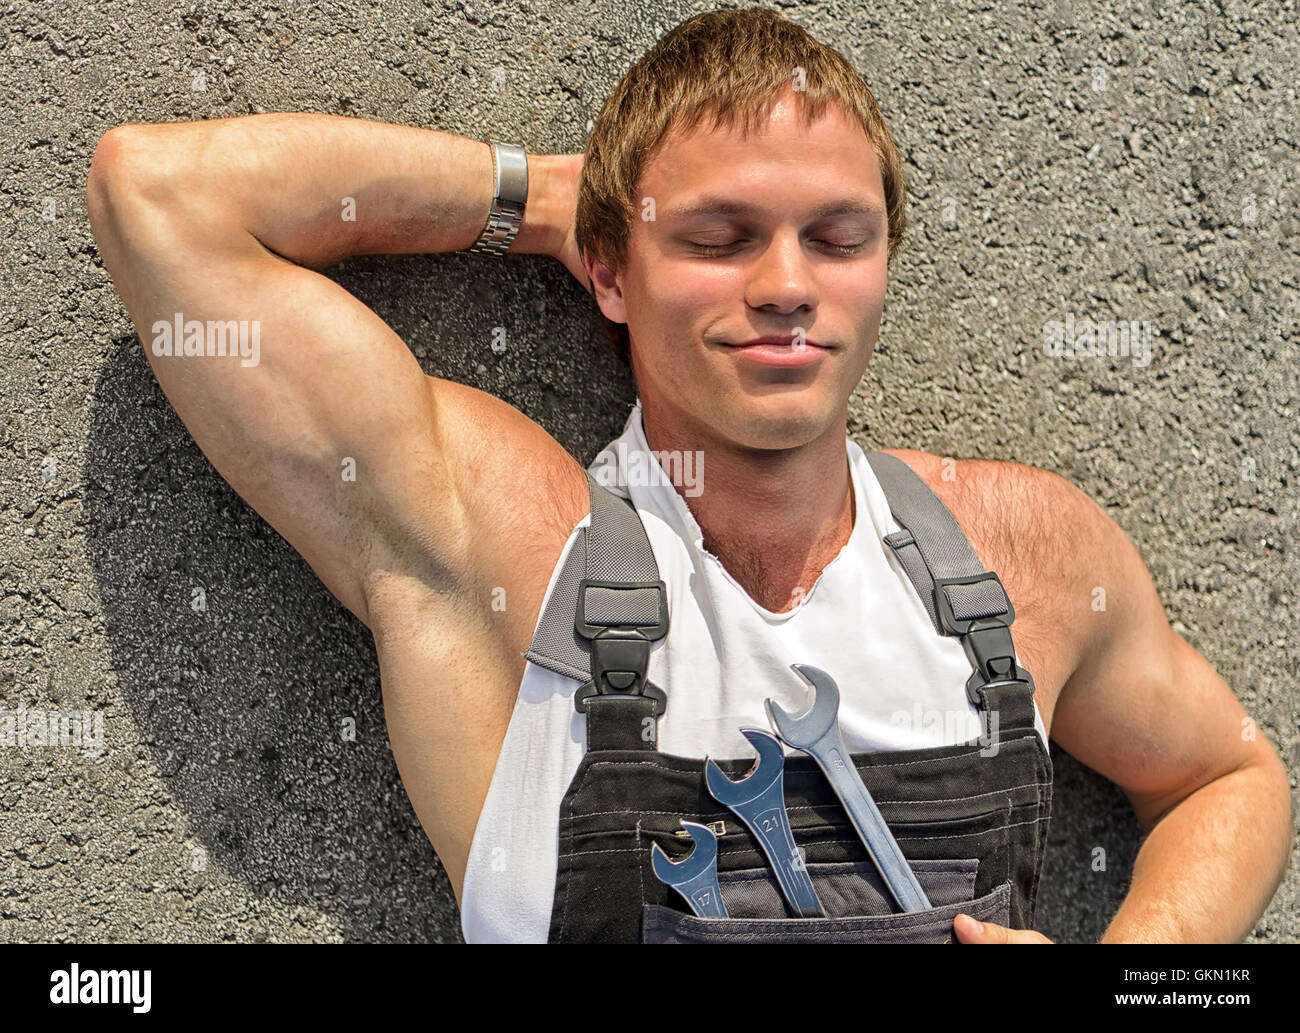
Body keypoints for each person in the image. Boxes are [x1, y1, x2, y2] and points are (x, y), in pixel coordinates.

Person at [85, 8, 1291, 943]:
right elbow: (159, 197)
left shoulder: (1015, 553)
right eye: (716, 237)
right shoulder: (508, 542)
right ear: (612, 272)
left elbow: (1229, 775)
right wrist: (557, 201)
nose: (784, 283)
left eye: (837, 236)